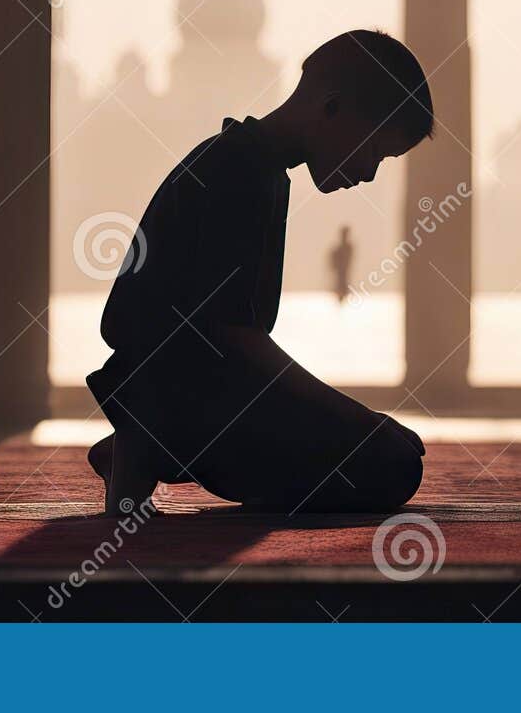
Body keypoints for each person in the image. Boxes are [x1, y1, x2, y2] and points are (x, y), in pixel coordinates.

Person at [86, 29, 432, 514]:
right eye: (376, 150)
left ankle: (155, 447)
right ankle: (151, 445)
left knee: (384, 454)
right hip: (186, 396)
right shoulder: (242, 174)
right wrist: (360, 419)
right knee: (392, 464)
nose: (370, 172)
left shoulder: (252, 165)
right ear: (332, 108)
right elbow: (236, 336)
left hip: (193, 390)